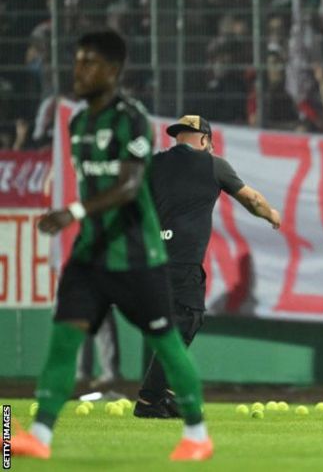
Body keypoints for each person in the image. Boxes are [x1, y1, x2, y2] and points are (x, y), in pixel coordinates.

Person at [11, 30, 212, 461]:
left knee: (168, 344)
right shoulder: (78, 123)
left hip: (138, 254)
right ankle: (40, 437)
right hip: (91, 253)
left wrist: (74, 212)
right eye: (77, 60)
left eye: (89, 62)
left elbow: (128, 185)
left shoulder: (132, 118)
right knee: (64, 340)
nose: (78, 70)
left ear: (112, 71)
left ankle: (197, 434)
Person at [134, 114, 281, 418]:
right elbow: (252, 200)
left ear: (178, 137)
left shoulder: (155, 164)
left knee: (173, 326)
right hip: (181, 260)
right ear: (205, 140)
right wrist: (271, 215)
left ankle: (167, 394)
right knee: (188, 319)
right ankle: (150, 399)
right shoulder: (213, 164)